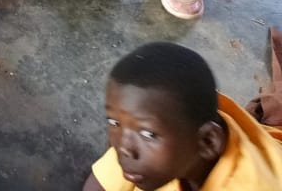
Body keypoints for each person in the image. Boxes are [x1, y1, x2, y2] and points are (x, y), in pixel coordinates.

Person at [84, 42, 282, 190]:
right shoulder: (150, 130)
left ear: (208, 142)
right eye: (113, 122)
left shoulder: (253, 185)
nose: (123, 148)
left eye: (148, 134)